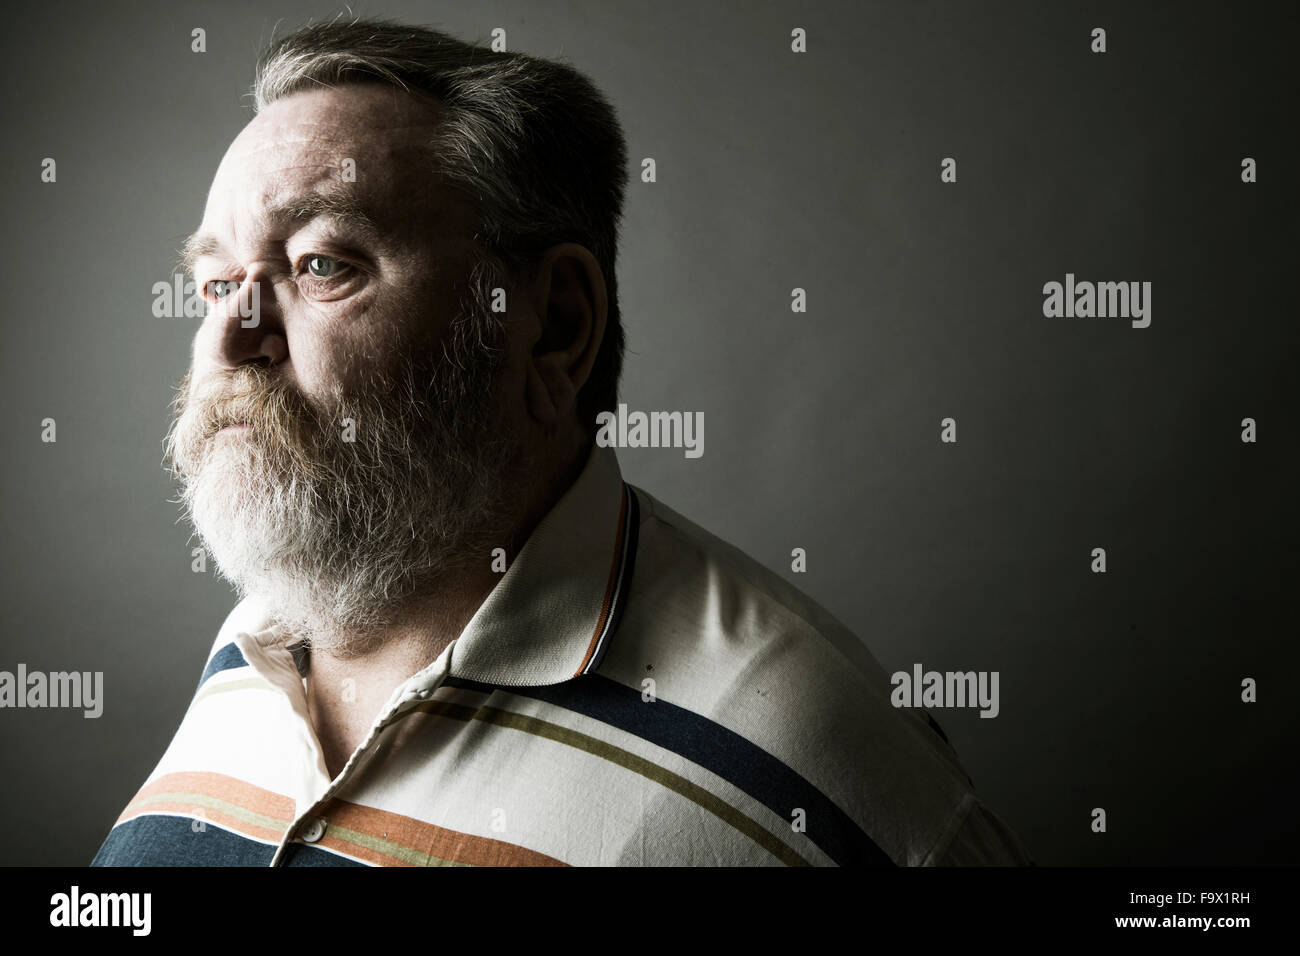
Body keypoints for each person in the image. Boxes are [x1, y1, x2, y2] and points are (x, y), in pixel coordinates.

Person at [91, 18, 1032, 866]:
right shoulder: (261, 637)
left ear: (552, 327)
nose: (228, 339)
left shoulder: (810, 753)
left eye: (321, 265)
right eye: (216, 283)